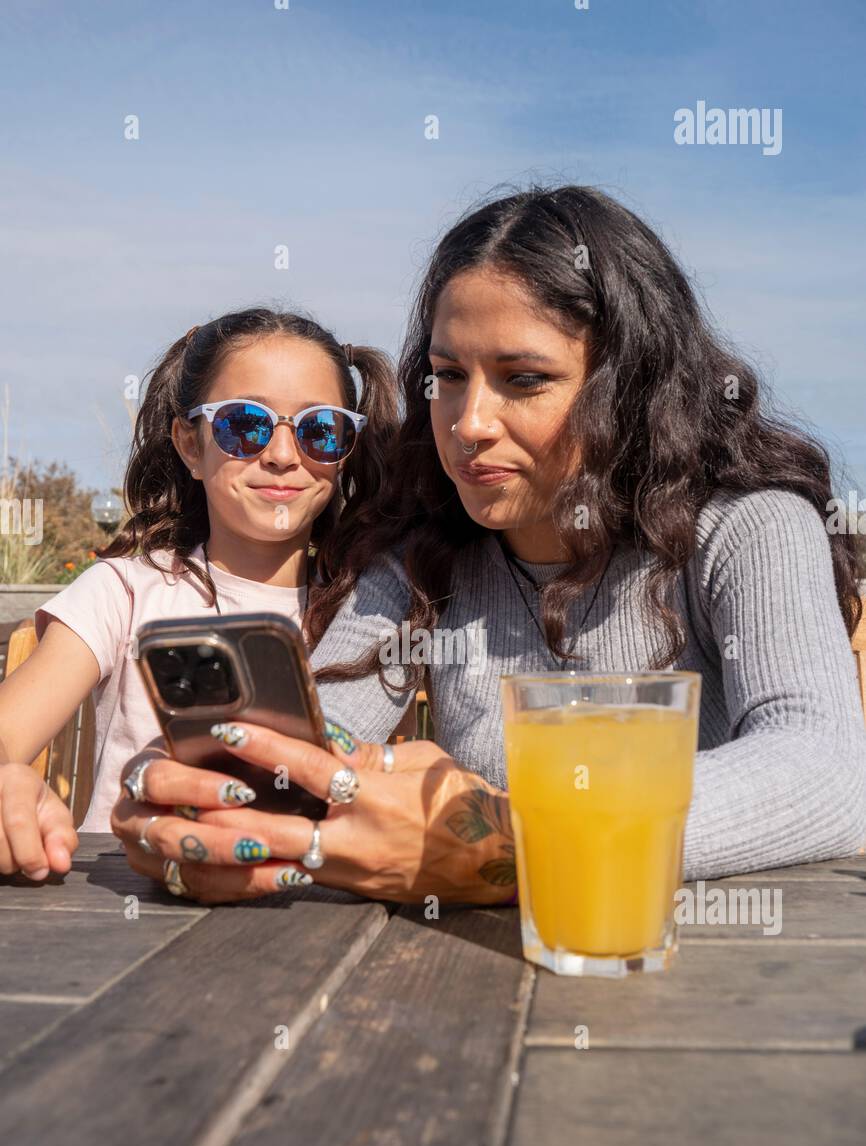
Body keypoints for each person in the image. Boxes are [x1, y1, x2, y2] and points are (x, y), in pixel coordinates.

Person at [110, 185, 866, 905]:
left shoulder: (748, 529)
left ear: (631, 384)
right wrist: (211, 803)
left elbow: (826, 770)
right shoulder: (420, 560)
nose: (468, 421)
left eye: (525, 378)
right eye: (447, 376)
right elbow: (319, 748)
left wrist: (510, 843)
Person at [0, 307, 396, 877]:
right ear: (190, 444)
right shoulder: (123, 593)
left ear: (345, 452)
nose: (283, 455)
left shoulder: (373, 614)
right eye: (245, 425)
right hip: (122, 903)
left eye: (320, 430)